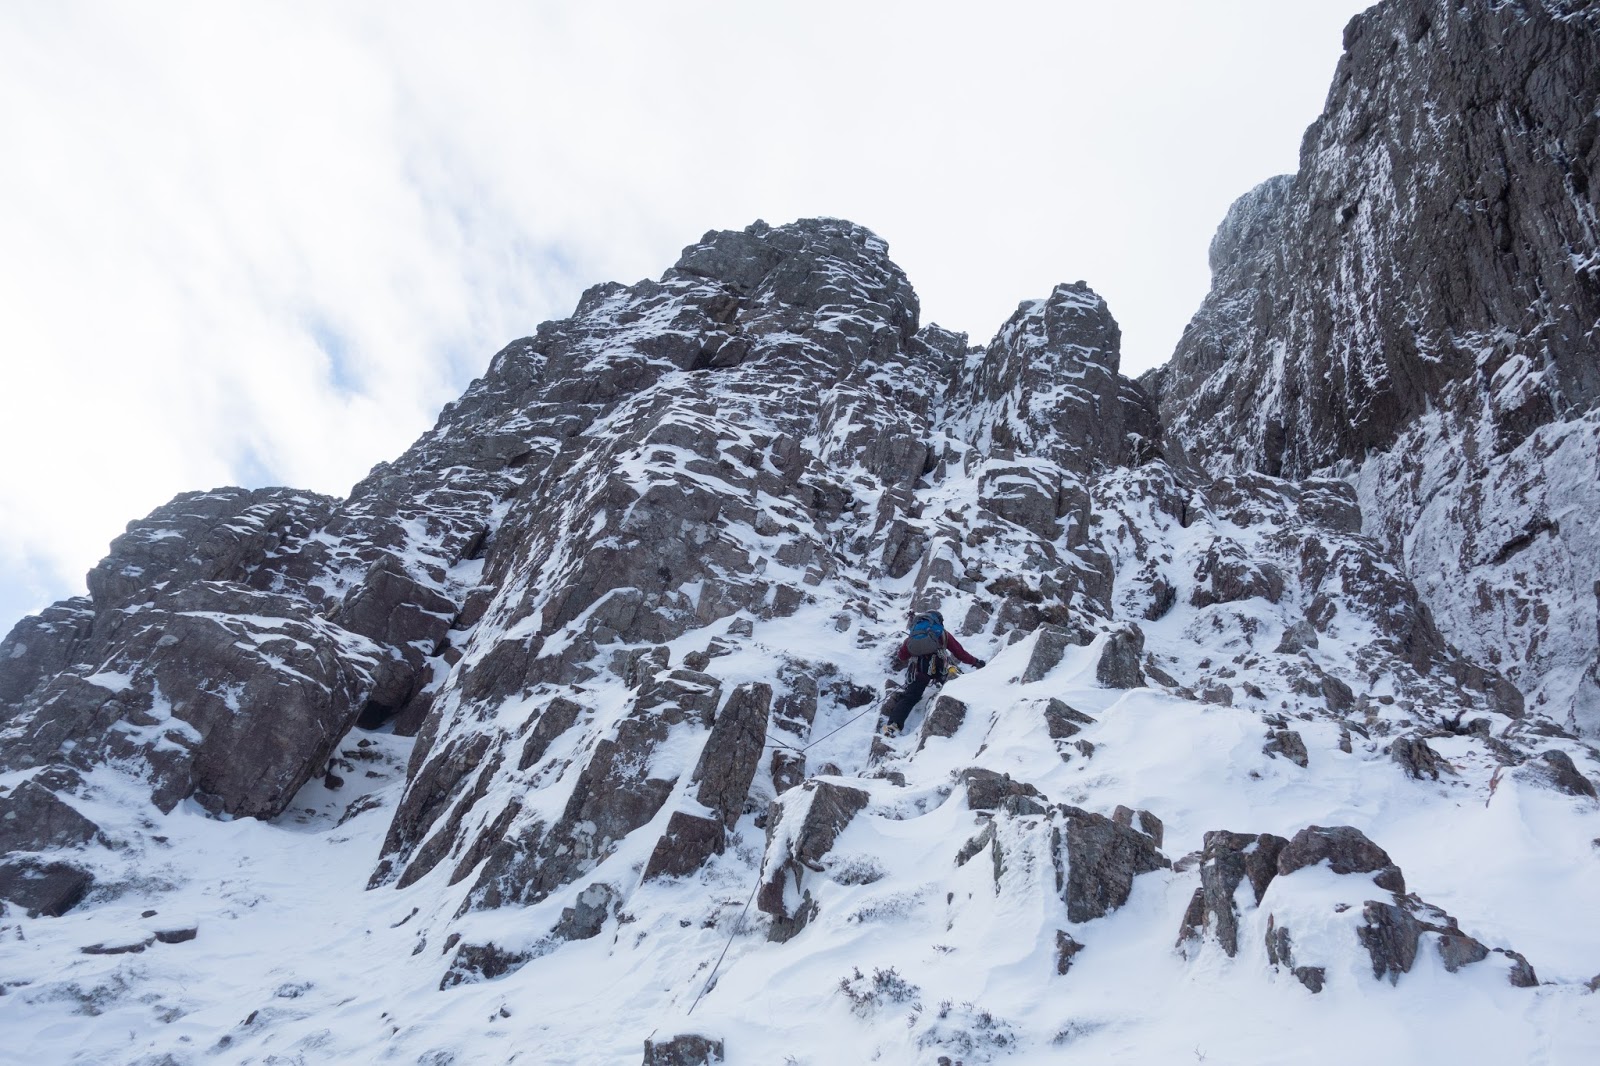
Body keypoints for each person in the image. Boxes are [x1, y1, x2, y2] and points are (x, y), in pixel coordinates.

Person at [880, 609, 986, 736]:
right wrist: (976, 662)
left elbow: (902, 656)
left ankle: (893, 726)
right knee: (956, 684)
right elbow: (960, 653)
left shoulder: (913, 636)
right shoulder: (942, 634)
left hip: (920, 671)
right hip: (941, 668)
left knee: (910, 697)